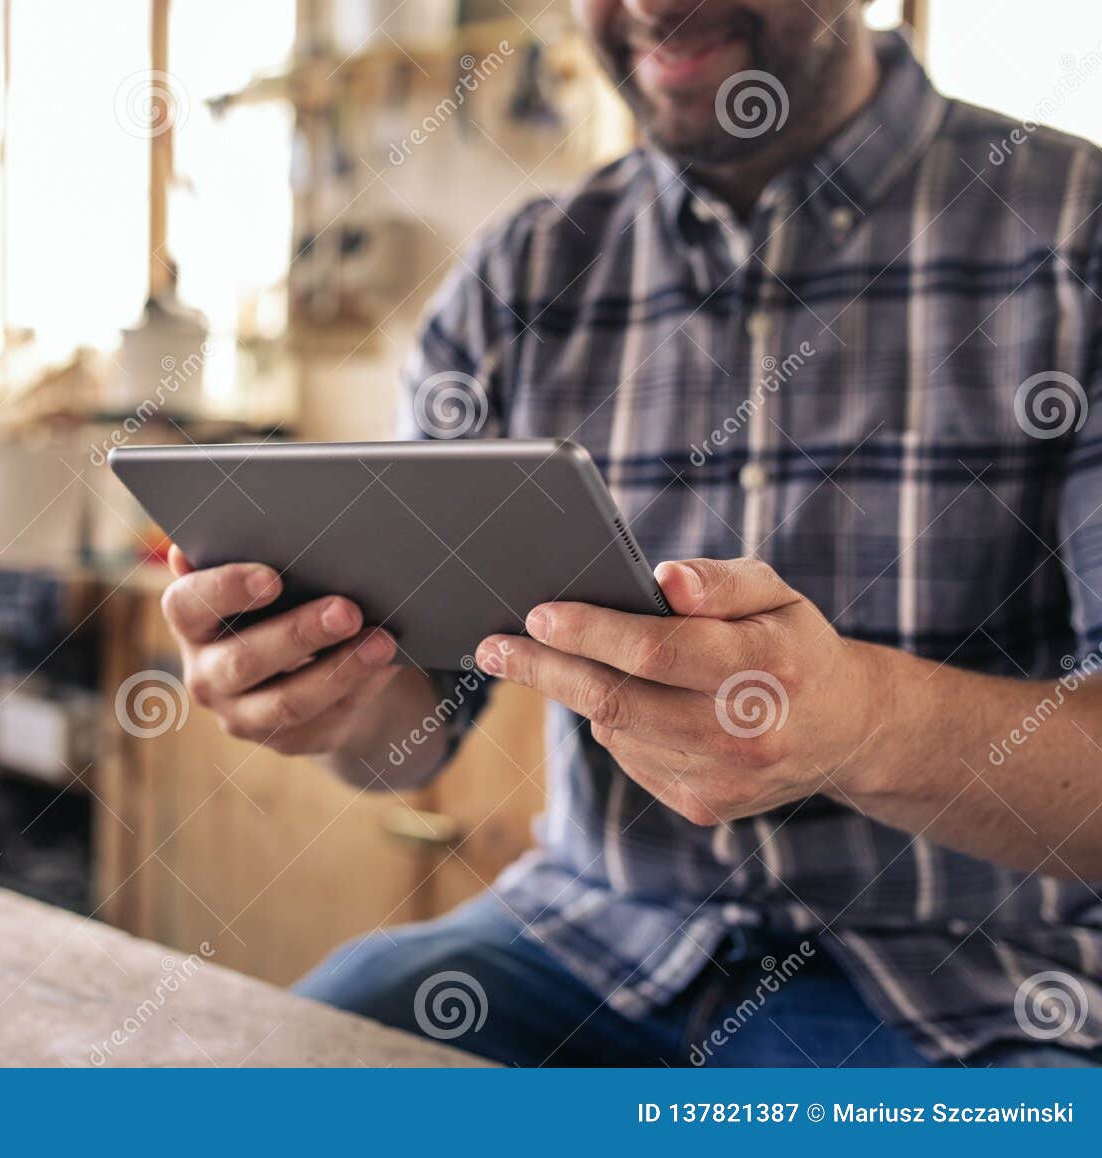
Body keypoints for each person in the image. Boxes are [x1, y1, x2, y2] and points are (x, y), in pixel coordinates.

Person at [157, 0, 1102, 1066]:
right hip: (583, 942)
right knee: (269, 1077)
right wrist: (317, 694)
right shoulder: (515, 277)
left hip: (970, 980)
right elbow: (408, 734)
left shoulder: (1077, 230)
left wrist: (860, 722)